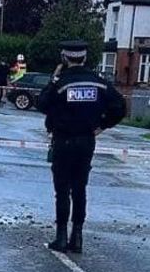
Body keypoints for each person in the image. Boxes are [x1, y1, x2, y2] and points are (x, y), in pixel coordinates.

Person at [37, 41, 126, 254]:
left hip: (63, 140)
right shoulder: (99, 83)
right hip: (86, 141)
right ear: (85, 58)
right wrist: (102, 125)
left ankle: (60, 237)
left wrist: (54, 79)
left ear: (64, 58)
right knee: (79, 189)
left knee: (62, 190)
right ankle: (77, 237)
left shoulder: (61, 82)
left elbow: (42, 104)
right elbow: (119, 107)